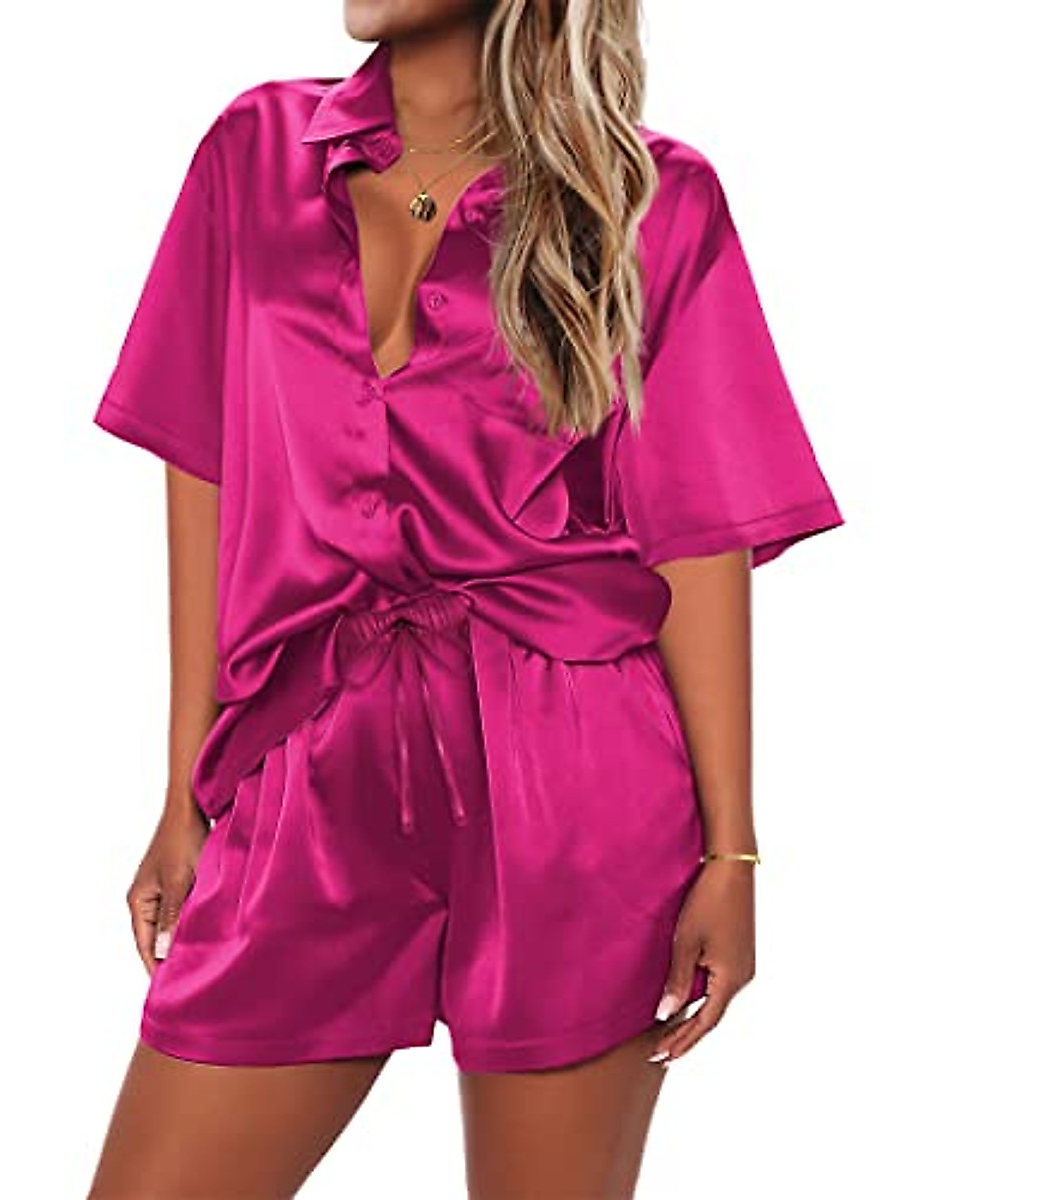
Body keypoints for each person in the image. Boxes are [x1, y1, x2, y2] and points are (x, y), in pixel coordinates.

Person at [87, 3, 844, 1196]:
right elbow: (204, 464)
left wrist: (731, 851)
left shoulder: (653, 199)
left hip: (575, 775)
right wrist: (187, 790)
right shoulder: (253, 152)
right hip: (312, 754)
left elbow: (696, 542)